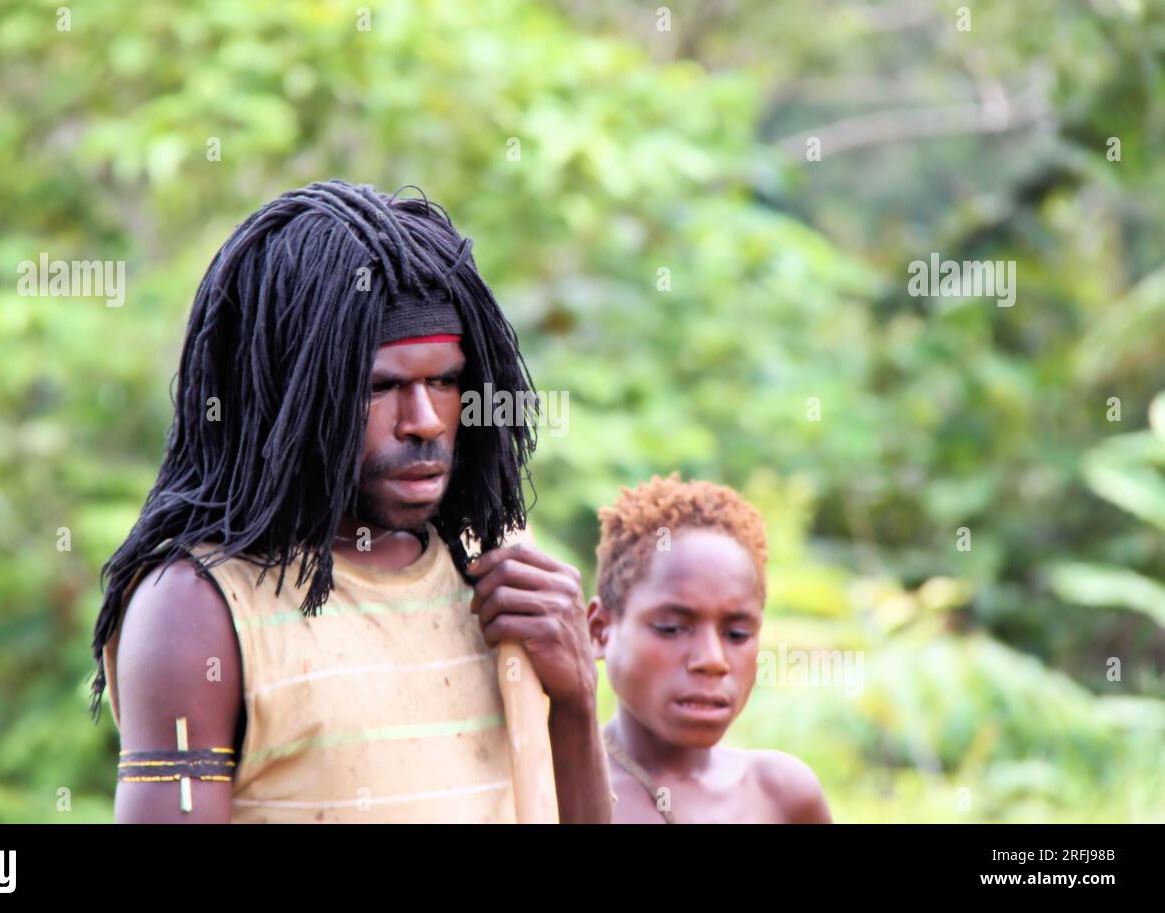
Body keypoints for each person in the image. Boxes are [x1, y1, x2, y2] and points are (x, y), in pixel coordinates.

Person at [89, 179, 609, 823]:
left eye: (444, 382)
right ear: (289, 397)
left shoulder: (503, 575)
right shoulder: (196, 608)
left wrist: (579, 700)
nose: (423, 421)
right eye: (379, 387)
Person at [587, 473, 831, 823]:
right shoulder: (547, 787)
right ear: (600, 630)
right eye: (671, 628)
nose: (713, 660)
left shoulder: (782, 795)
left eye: (736, 634)